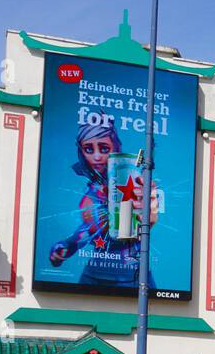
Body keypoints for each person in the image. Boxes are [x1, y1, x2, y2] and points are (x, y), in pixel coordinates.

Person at [47, 120, 161, 290]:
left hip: (134, 276)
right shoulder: (93, 191)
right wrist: (68, 245)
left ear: (115, 148)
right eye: (89, 149)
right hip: (95, 275)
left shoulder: (133, 178)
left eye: (104, 148)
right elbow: (88, 229)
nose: (97, 156)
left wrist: (146, 217)